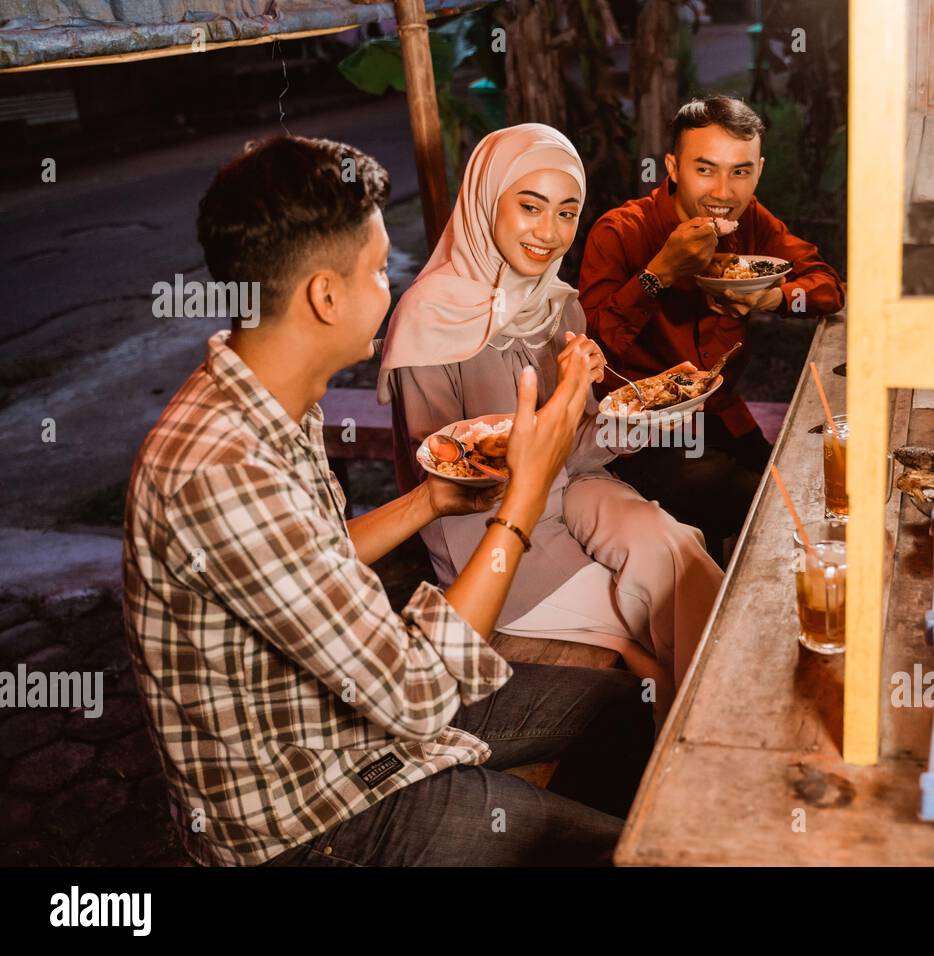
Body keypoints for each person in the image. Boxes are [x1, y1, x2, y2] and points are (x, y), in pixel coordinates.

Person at [121, 135, 654, 867]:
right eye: (379, 271)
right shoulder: (219, 470)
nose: (391, 289)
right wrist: (525, 495)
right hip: (316, 815)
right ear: (325, 295)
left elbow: (315, 555)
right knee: (638, 852)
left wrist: (433, 499)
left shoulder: (266, 396)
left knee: (638, 712)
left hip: (363, 719)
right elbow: (415, 696)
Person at [379, 124, 722, 711]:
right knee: (640, 653)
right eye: (530, 206)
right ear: (487, 200)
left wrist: (630, 419)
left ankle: (738, 703)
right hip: (485, 526)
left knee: (677, 554)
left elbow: (577, 452)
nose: (549, 232)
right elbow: (453, 482)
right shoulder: (428, 319)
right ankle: (695, 749)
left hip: (570, 488)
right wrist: (557, 413)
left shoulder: (558, 303)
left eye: (567, 213)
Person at [580, 96, 845, 563]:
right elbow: (594, 353)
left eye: (740, 172)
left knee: (804, 487)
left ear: (758, 171)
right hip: (640, 436)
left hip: (722, 415)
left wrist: (773, 297)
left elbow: (827, 285)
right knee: (770, 514)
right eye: (706, 170)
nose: (724, 191)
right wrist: (658, 273)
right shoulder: (620, 231)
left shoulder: (752, 222)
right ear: (673, 167)